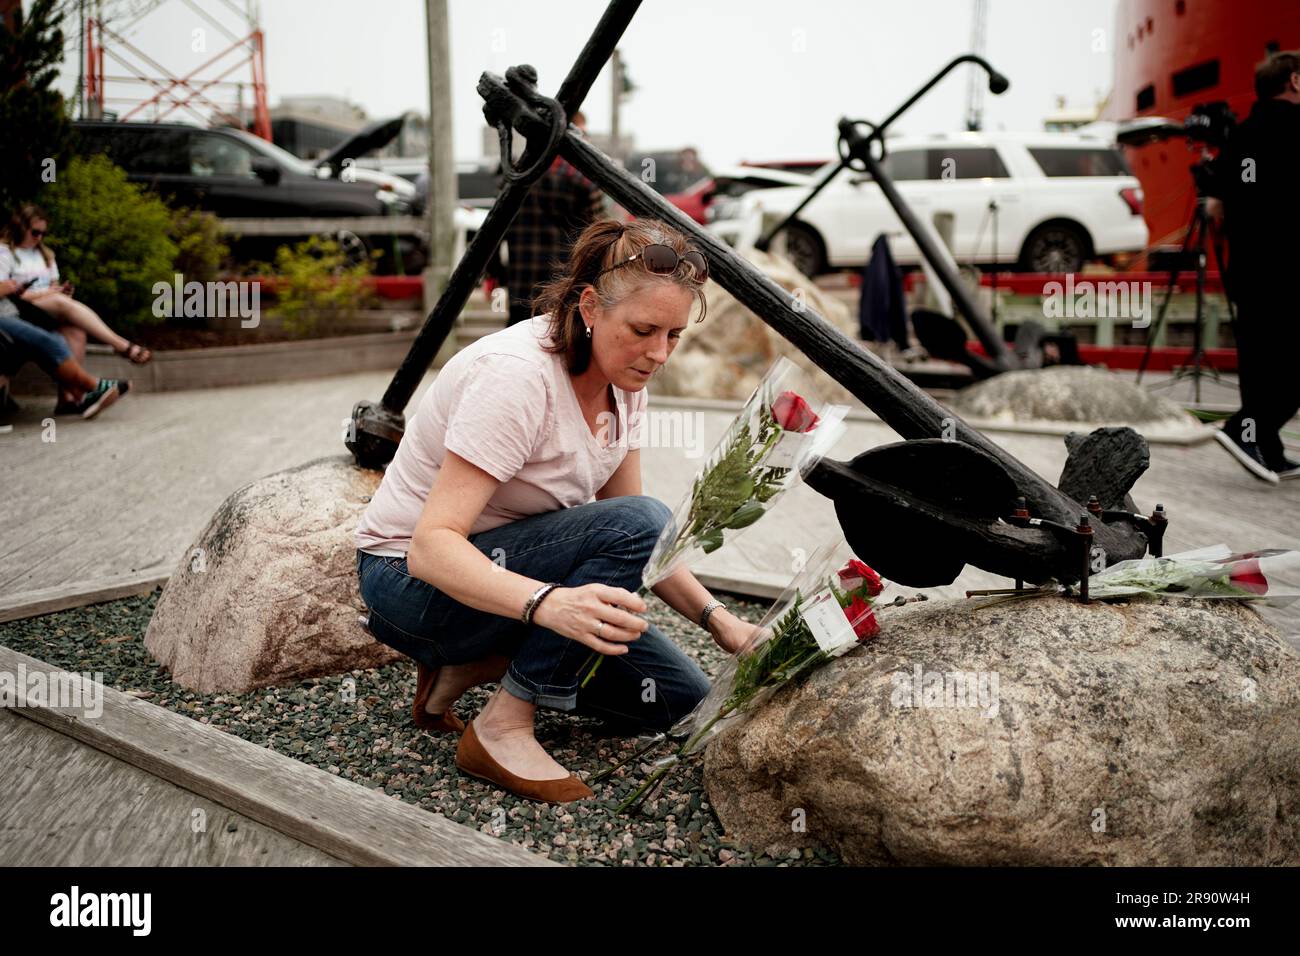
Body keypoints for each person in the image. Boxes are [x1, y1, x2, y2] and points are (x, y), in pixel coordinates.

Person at [355, 218, 756, 804]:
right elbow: (430, 546)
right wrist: (548, 604)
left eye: (673, 335)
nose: (658, 353)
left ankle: (477, 663)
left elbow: (641, 538)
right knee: (637, 521)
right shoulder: (516, 379)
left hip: (504, 580)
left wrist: (721, 622)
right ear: (590, 305)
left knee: (676, 699)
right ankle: (503, 724)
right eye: (644, 329)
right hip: (412, 587)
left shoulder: (626, 379)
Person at [1205, 51, 1300, 482]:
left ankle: (1267, 445)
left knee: (1260, 358)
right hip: (1288, 266)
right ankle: (1244, 430)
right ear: (1295, 82)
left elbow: (1217, 210)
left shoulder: (1241, 136)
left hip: (1250, 267)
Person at [1, 205, 151, 413]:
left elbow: (53, 285)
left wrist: (60, 292)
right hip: (20, 307)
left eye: (43, 233)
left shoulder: (46, 255)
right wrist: (49, 294)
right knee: (60, 310)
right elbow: (7, 293)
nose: (39, 238)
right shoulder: (6, 252)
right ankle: (118, 352)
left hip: (46, 306)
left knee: (76, 330)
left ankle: (69, 399)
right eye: (35, 232)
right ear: (20, 227)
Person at [503, 111, 604, 327]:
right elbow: (598, 236)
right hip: (563, 287)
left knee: (516, 346)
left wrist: (496, 274)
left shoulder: (515, 174)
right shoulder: (583, 180)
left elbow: (496, 229)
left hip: (520, 282)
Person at [0, 277, 130, 419]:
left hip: (13, 313)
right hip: (6, 317)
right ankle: (93, 386)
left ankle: (79, 397)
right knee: (46, 340)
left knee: (60, 335)